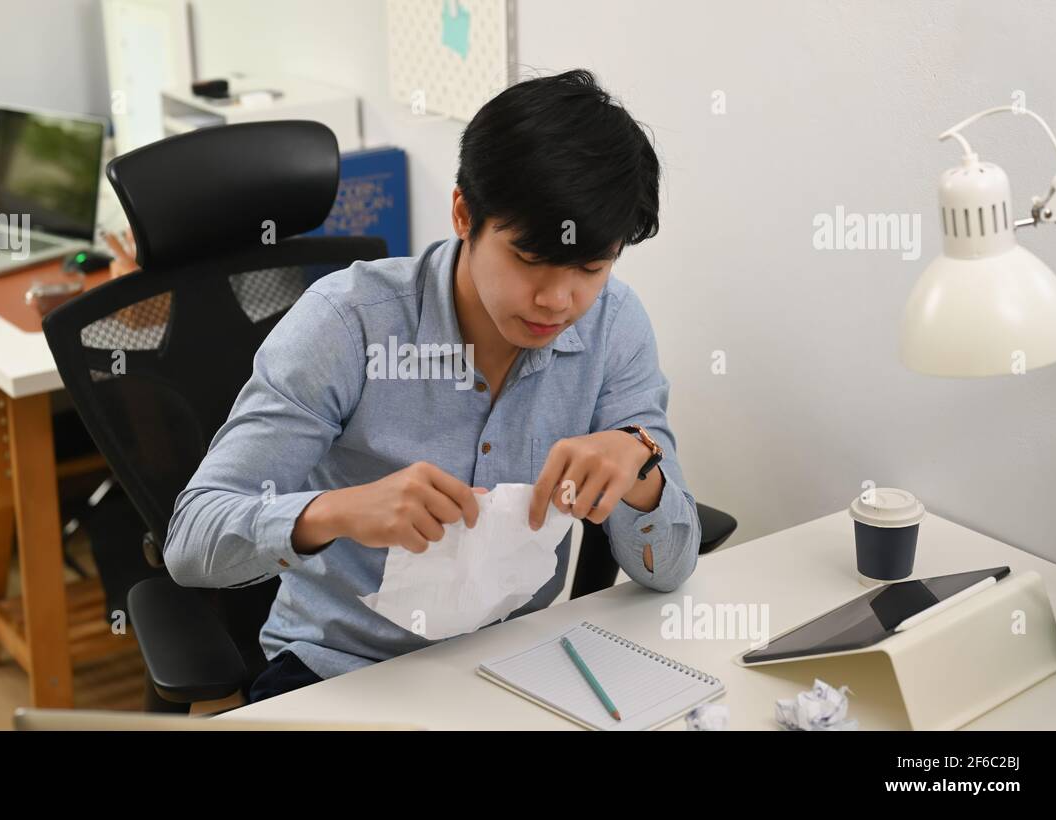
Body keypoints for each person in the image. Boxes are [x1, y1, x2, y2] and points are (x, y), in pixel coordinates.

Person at [163, 69, 702, 703]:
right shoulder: (348, 323)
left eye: (591, 267)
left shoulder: (614, 324)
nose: (559, 299)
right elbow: (191, 540)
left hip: (523, 667)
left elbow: (668, 570)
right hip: (343, 673)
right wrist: (334, 512)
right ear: (463, 214)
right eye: (530, 260)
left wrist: (642, 473)